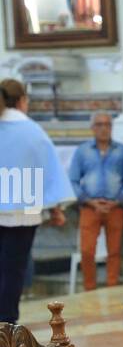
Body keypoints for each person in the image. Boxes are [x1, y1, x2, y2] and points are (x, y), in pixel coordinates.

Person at [0, 78, 73, 322]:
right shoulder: (33, 131)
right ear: (21, 100)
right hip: (26, 209)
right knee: (14, 271)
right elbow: (49, 171)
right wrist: (55, 209)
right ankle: (7, 327)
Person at [68, 113, 123, 290]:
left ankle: (112, 287)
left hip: (115, 207)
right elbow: (73, 179)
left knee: (114, 252)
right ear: (92, 128)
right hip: (90, 207)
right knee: (87, 251)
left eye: (107, 124)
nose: (104, 128)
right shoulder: (83, 151)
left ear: (112, 127)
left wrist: (119, 200)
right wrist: (88, 201)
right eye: (99, 124)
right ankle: (89, 289)